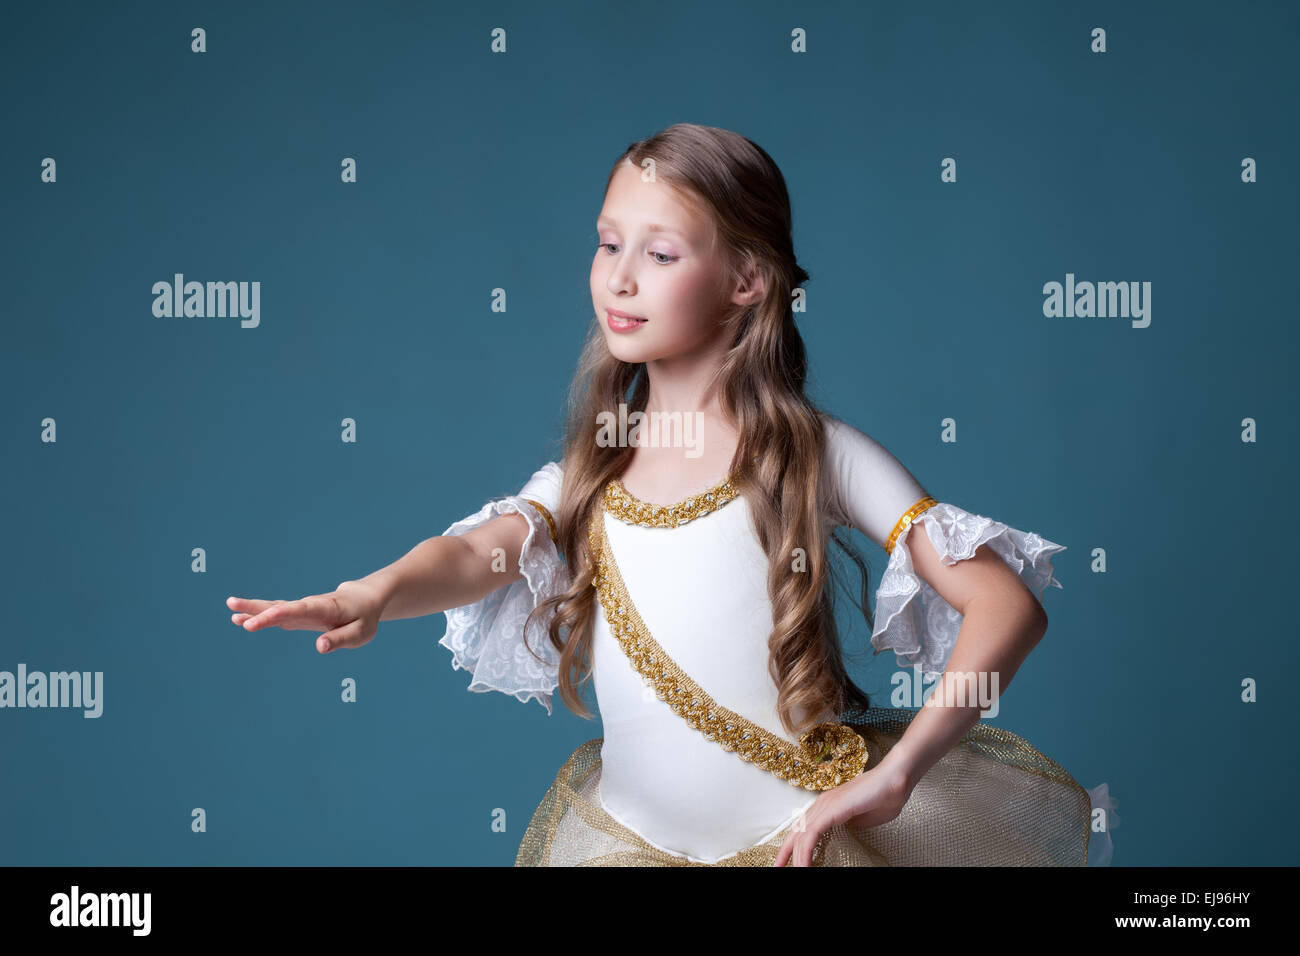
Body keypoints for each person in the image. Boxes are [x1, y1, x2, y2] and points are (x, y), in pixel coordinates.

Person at [227, 123, 1116, 867]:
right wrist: (367, 594)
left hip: (795, 850)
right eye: (608, 243)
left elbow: (1006, 608)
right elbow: (472, 554)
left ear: (746, 281)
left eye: (659, 254)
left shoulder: (815, 454)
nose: (618, 277)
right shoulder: (595, 469)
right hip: (627, 846)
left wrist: (900, 771)